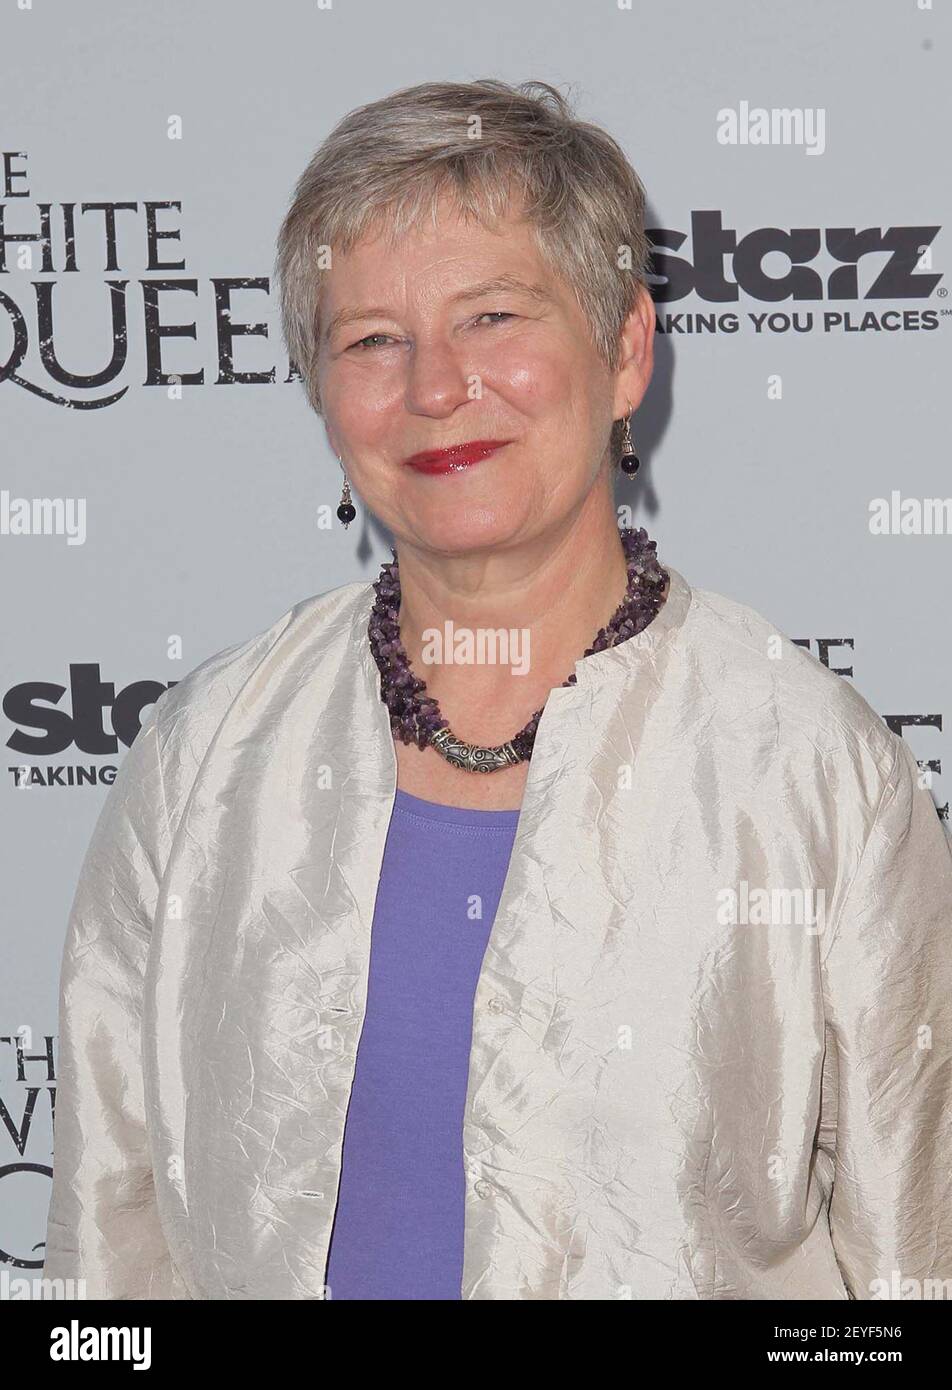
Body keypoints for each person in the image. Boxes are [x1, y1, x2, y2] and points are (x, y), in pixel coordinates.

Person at [43, 79, 952, 1301]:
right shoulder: (207, 752)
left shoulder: (806, 765)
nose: (434, 386)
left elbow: (912, 1261)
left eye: (492, 317)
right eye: (371, 338)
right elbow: (110, 1238)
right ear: (323, 395)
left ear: (624, 348)